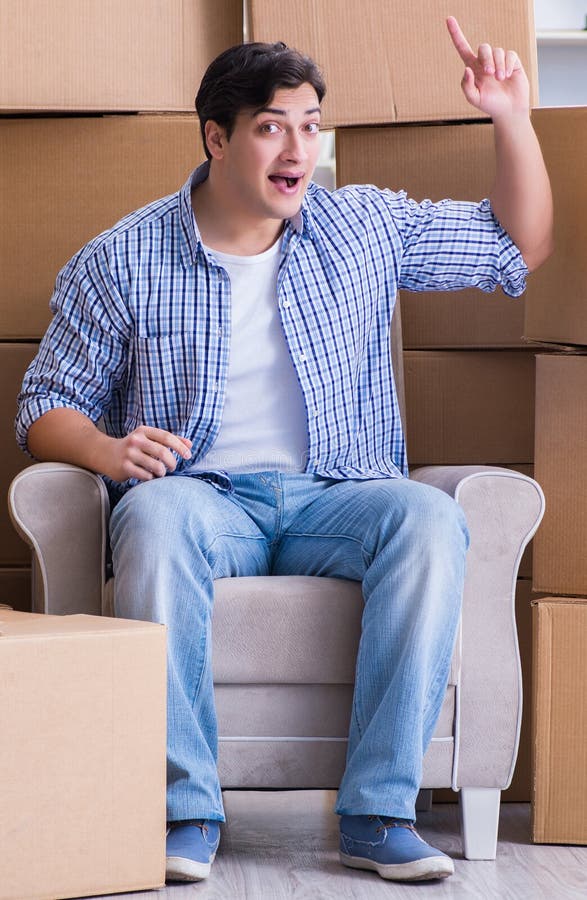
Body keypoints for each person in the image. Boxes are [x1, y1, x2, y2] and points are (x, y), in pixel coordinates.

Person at [16, 16, 552, 884]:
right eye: (272, 126)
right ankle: (182, 812)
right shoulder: (120, 258)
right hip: (201, 494)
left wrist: (511, 118)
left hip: (338, 493)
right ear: (217, 138)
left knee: (426, 518)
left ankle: (379, 814)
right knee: (151, 520)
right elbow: (43, 406)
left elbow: (515, 248)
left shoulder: (362, 227)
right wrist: (109, 452)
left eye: (310, 125)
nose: (296, 147)